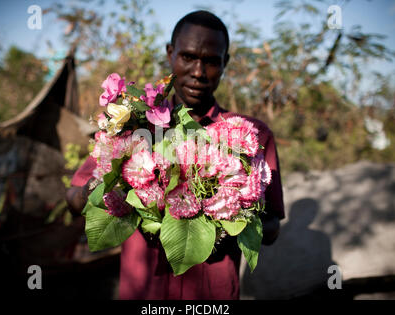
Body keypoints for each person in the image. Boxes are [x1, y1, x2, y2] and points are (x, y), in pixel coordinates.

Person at [66, 10, 285, 300]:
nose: (198, 71)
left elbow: (270, 230)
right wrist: (109, 185)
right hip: (144, 294)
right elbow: (72, 200)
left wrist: (230, 214)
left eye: (211, 61)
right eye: (188, 57)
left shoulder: (250, 136)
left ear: (225, 64)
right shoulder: (133, 124)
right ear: (171, 53)